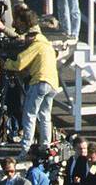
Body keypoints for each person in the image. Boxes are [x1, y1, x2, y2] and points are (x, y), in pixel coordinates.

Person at [4, 9, 59, 153]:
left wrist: (6, 63)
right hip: (53, 83)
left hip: (40, 81)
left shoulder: (36, 44)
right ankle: (45, 146)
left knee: (29, 114)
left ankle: (25, 148)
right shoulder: (46, 43)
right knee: (45, 115)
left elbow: (20, 63)